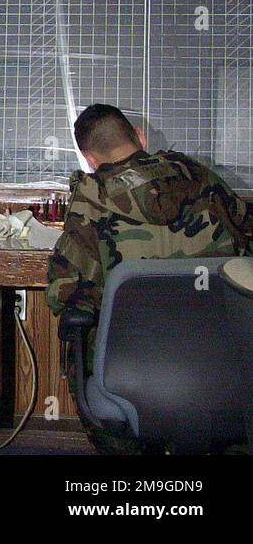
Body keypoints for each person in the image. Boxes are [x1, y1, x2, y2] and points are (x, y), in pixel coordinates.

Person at [47, 102, 253, 452]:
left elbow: (62, 294)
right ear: (140, 138)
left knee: (78, 331)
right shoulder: (200, 177)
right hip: (222, 367)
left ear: (89, 158)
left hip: (132, 374)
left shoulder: (91, 199)